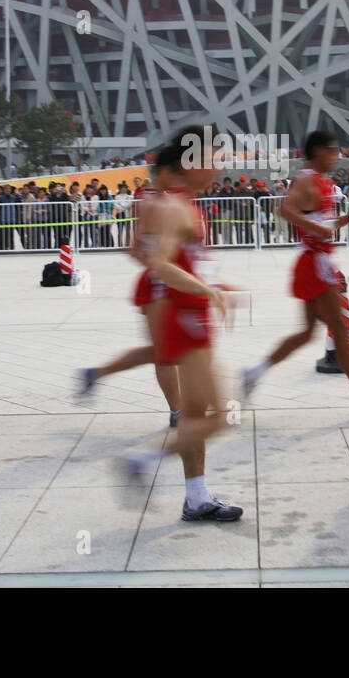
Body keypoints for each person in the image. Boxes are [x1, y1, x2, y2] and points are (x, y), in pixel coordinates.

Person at [118, 127, 241, 522]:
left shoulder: (188, 204)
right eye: (211, 159)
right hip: (186, 319)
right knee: (218, 416)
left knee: (193, 414)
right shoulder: (173, 207)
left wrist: (220, 285)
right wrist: (208, 291)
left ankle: (196, 497)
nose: (217, 167)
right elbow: (161, 263)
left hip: (192, 316)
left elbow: (187, 262)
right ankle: (143, 459)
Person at [241, 130, 349, 414]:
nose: (337, 156)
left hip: (318, 262)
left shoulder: (322, 182)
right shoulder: (306, 180)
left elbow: (322, 222)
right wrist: (321, 230)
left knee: (306, 333)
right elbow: (285, 211)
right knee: (339, 329)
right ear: (319, 151)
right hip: (315, 264)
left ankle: (255, 372)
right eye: (333, 150)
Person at [77, 152, 182, 428]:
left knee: (166, 350)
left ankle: (96, 373)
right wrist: (159, 268)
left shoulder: (161, 201)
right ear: (164, 173)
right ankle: (177, 411)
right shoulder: (152, 202)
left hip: (168, 283)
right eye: (175, 172)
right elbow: (133, 246)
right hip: (160, 286)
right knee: (165, 353)